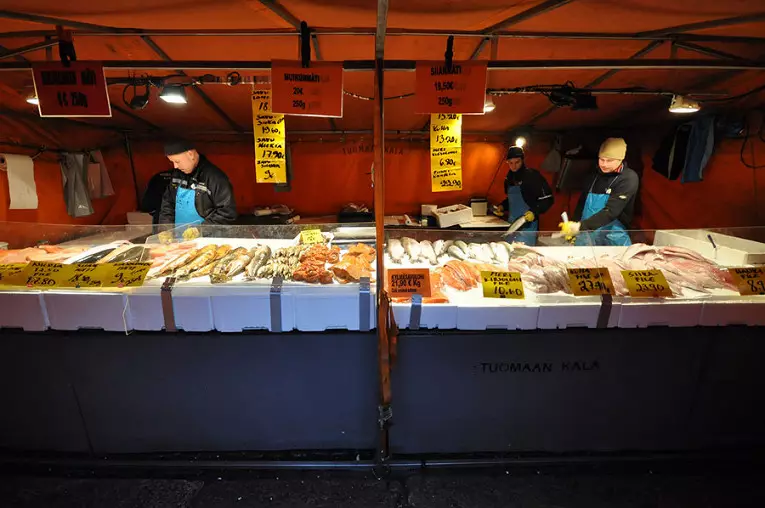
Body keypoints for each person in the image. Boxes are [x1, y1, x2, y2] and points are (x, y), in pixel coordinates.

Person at [559, 137, 639, 246]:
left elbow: (611, 211)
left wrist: (579, 227)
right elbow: (581, 204)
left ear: (621, 159)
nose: (604, 164)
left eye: (609, 161)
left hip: (612, 237)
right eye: (601, 159)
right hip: (586, 235)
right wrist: (574, 224)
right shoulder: (594, 176)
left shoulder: (628, 178)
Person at [158, 141, 237, 242]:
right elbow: (168, 204)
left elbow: (227, 213)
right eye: (172, 162)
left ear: (191, 155)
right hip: (179, 241)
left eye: (177, 161)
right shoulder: (177, 174)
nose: (175, 166)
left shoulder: (215, 178)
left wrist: (200, 230)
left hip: (207, 241)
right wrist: (166, 229)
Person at [497, 145, 554, 245]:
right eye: (510, 163)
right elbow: (511, 199)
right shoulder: (508, 178)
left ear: (523, 160)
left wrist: (534, 212)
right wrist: (502, 206)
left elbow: (548, 199)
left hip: (528, 227)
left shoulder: (533, 176)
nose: (513, 166)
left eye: (517, 162)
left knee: (525, 256)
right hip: (512, 225)